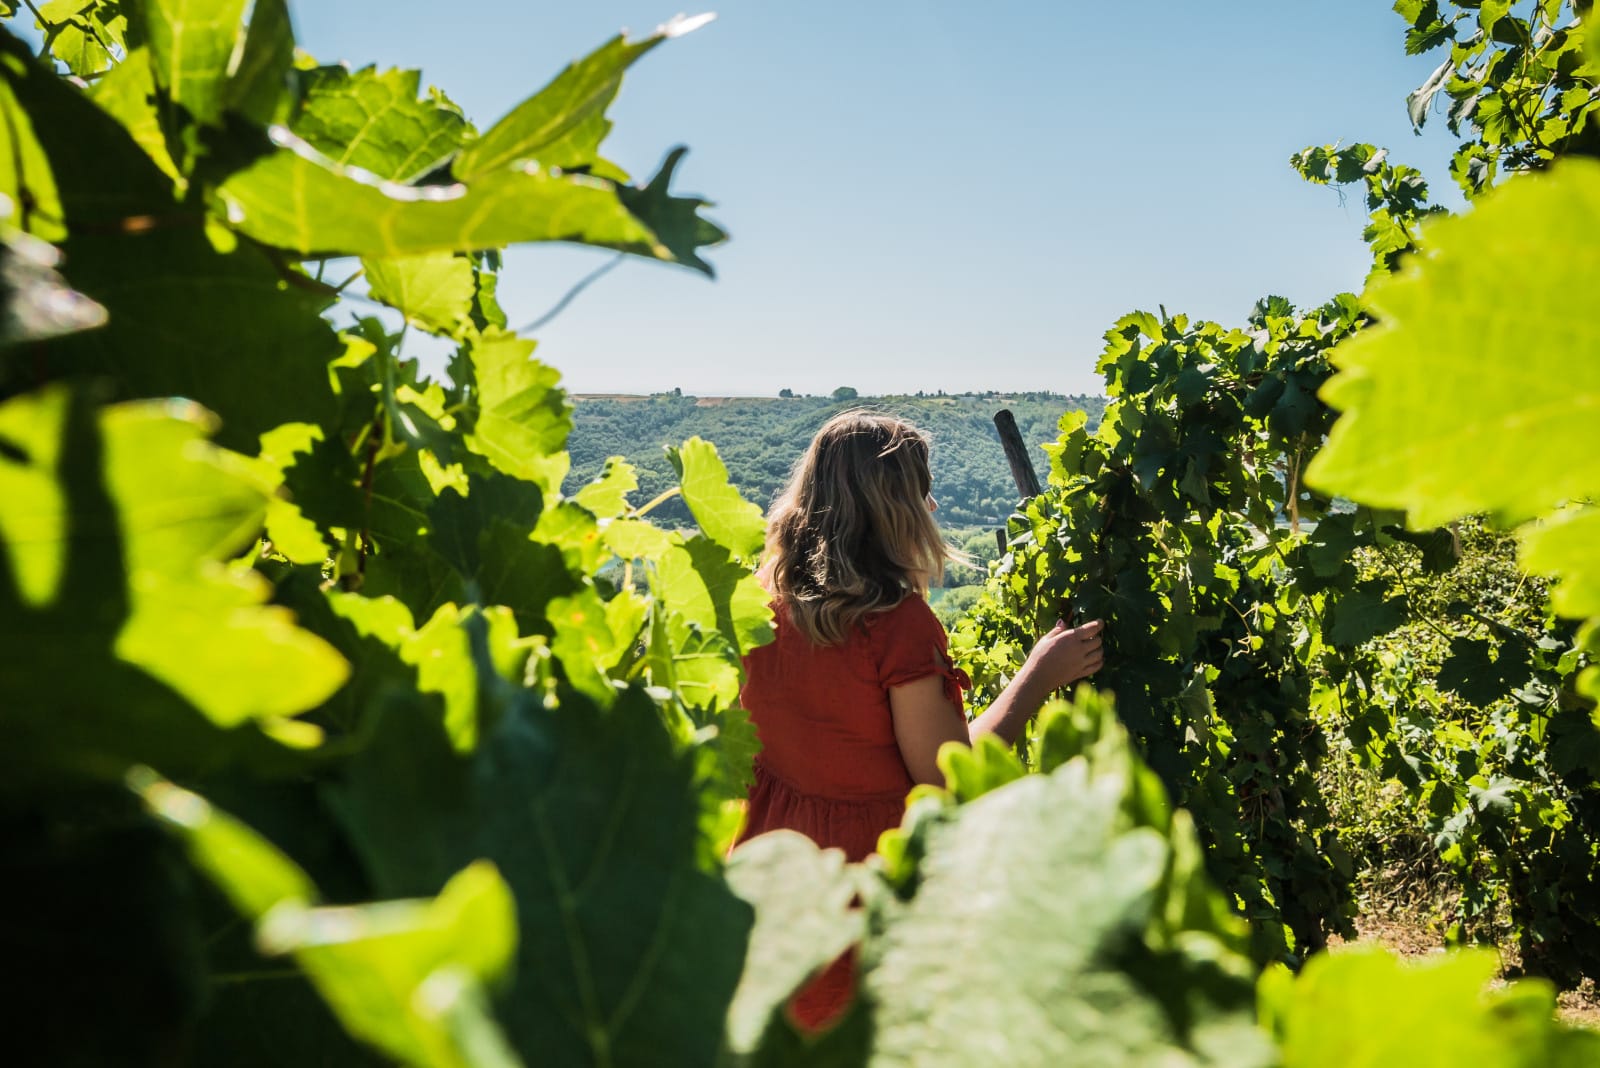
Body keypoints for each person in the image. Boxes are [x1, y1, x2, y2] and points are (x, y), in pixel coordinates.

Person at [733, 410, 1104, 1028]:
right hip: (865, 897)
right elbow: (946, 778)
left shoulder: (763, 603)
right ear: (893, 507)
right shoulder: (895, 627)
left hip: (775, 884)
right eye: (920, 490)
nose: (932, 504)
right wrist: (1040, 672)